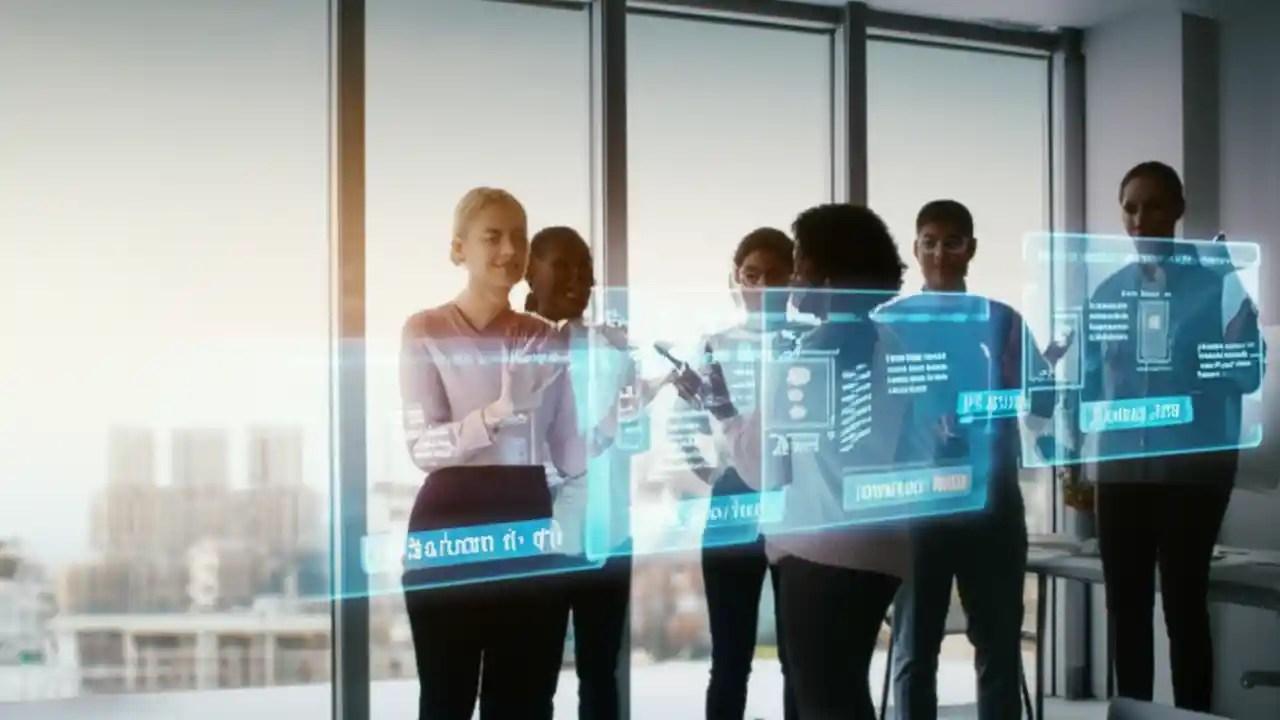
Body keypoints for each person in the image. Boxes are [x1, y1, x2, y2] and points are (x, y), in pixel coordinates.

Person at [699, 204, 920, 719]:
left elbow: (759, 472)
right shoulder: (895, 344)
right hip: (882, 551)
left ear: (823, 275)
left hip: (820, 558)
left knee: (824, 701)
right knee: (846, 694)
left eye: (796, 265)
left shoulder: (798, 360)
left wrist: (725, 413)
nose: (790, 279)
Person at [1066, 161, 1261, 711]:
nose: (1140, 218)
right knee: (1125, 610)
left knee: (1183, 605)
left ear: (1177, 210)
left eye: (1153, 205)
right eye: (1130, 206)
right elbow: (1085, 390)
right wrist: (1075, 458)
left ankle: (1192, 715)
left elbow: (1247, 374)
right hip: (1122, 470)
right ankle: (1132, 716)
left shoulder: (1218, 285)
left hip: (1194, 473)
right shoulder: (1106, 292)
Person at [399, 188, 586, 720]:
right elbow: (421, 447)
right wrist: (497, 412)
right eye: (493, 236)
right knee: (447, 701)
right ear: (459, 249)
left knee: (525, 704)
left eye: (520, 237)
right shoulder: (425, 330)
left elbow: (570, 456)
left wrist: (621, 412)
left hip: (526, 524)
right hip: (448, 528)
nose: (510, 249)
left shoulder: (548, 338)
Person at [890, 200, 1067, 720]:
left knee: (998, 650)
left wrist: (1038, 373)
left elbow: (1042, 403)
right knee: (914, 650)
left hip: (991, 507)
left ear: (972, 248)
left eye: (952, 242)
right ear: (915, 248)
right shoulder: (892, 322)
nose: (940, 253)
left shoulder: (1003, 321)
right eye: (929, 241)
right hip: (916, 511)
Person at [523, 225, 670, 720]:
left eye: (585, 268)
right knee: (531, 674)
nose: (577, 276)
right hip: (541, 539)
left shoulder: (613, 349)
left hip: (609, 534)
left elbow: (635, 440)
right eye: (562, 264)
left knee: (600, 673)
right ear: (530, 271)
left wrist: (637, 393)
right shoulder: (516, 344)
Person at [681, 228, 798, 720]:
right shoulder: (714, 344)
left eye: (775, 275)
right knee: (730, 656)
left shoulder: (805, 341)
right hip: (733, 498)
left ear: (793, 280)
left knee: (799, 657)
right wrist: (711, 472)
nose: (763, 286)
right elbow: (681, 420)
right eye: (753, 275)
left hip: (793, 495)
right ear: (737, 278)